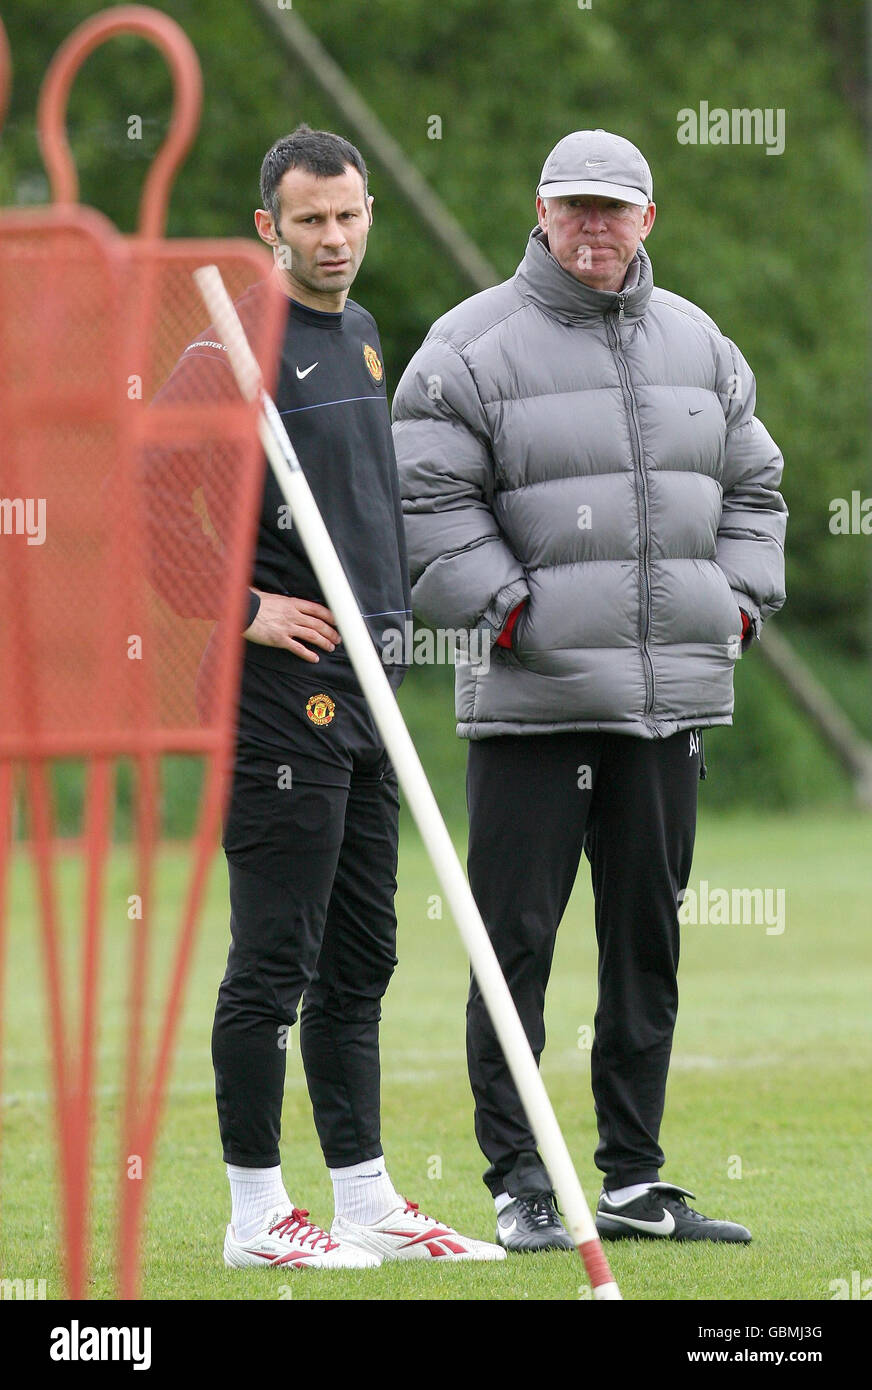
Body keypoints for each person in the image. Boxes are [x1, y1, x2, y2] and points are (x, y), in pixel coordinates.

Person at [392, 129, 787, 1251]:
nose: (594, 226)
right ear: (540, 209)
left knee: (643, 944)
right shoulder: (466, 346)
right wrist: (510, 613)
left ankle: (633, 1178)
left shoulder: (700, 345)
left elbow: (755, 487)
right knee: (512, 944)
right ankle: (520, 1180)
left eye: (614, 209)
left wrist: (739, 604)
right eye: (574, 206)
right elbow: (427, 504)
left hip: (665, 708)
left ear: (647, 220)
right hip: (532, 702)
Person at [151, 125, 504, 1268]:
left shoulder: (355, 336)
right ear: (270, 227)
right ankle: (256, 1217)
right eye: (309, 219)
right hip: (273, 704)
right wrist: (241, 604)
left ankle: (365, 1198)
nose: (334, 236)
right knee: (273, 963)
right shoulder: (225, 349)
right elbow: (147, 499)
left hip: (370, 698)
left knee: (363, 960)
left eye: (347, 215)